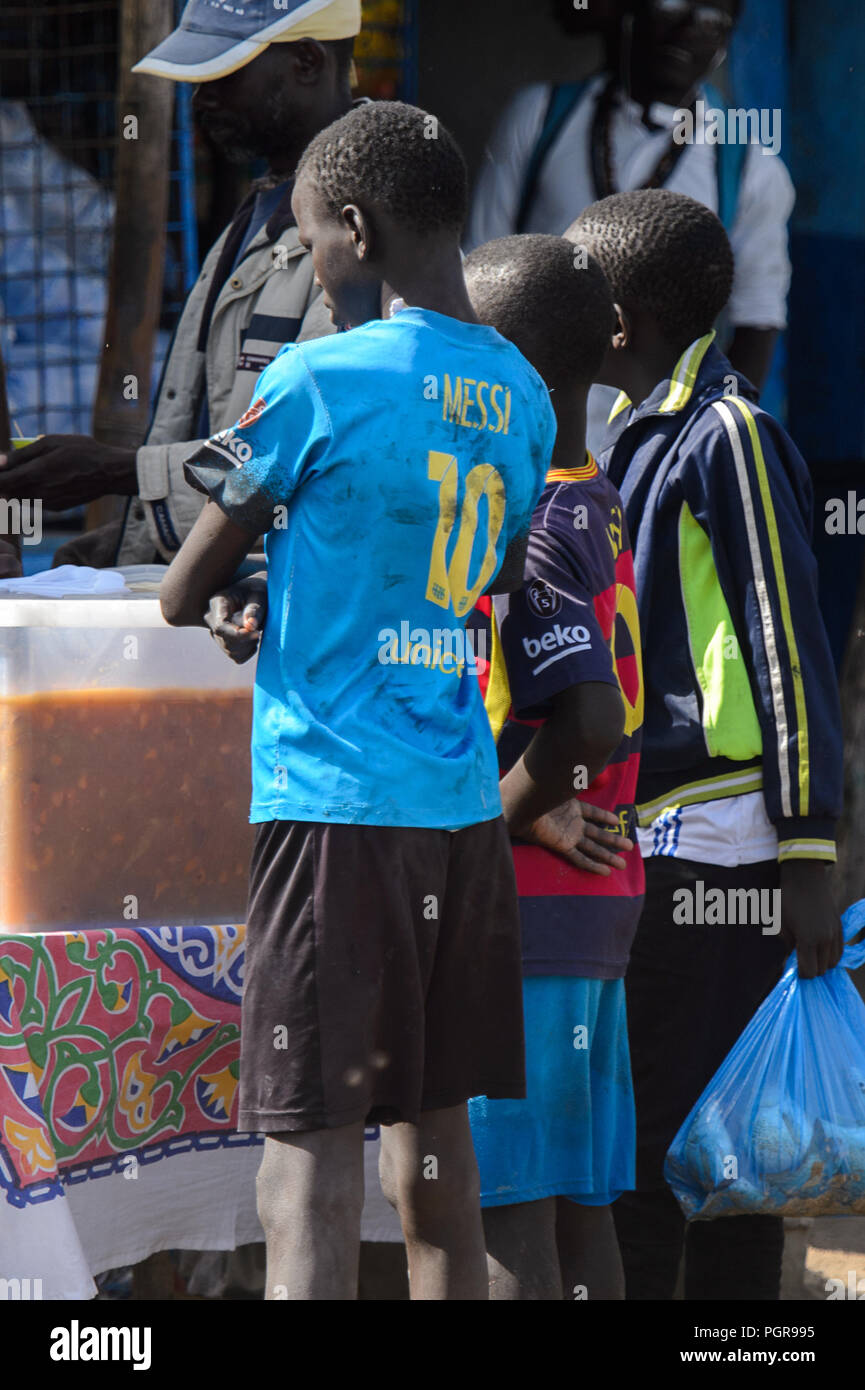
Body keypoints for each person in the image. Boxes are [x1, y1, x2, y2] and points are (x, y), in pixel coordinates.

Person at [160, 101, 558, 1301]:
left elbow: (184, 588)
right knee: (436, 1153)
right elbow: (478, 576)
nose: (311, 265)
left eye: (311, 241)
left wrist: (242, 599)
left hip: (330, 809)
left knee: (307, 1166)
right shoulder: (527, 396)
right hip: (457, 809)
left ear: (356, 229)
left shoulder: (314, 381)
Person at [564, 188, 844, 1300]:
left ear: (619, 325)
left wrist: (811, 848)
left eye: (577, 294)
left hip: (721, 842)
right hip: (653, 837)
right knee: (669, 1139)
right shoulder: (625, 442)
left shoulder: (724, 434)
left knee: (699, 1156)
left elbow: (786, 641)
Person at [0, 0, 363, 568]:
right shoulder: (262, 210)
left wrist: (116, 470)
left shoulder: (362, 235)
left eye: (222, 74)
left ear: (308, 63)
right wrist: (127, 548)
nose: (200, 99)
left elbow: (312, 454)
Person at [460, 233, 645, 1300]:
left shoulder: (528, 519)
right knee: (580, 1210)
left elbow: (590, 721)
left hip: (528, 914)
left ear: (508, 375)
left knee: (511, 1216)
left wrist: (496, 814)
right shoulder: (592, 491)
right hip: (592, 901)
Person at [466, 0, 793, 450]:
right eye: (671, 5)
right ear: (631, 12)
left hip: (653, 444)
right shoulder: (540, 117)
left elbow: (758, 320)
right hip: (526, 428)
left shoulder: (749, 169)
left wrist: (695, 443)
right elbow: (479, 270)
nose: (687, 29)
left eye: (713, 17)